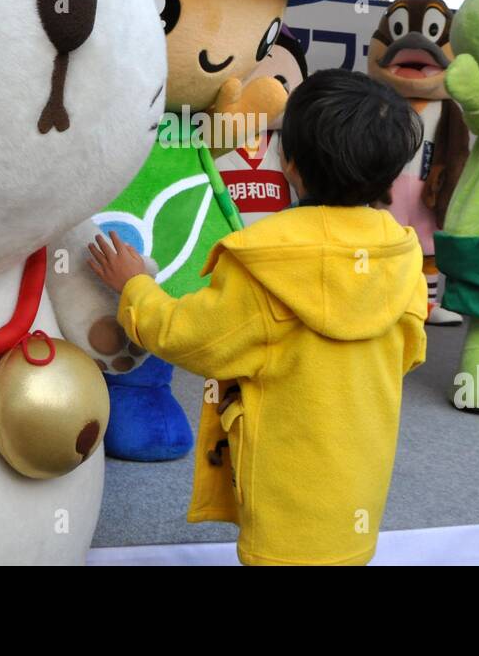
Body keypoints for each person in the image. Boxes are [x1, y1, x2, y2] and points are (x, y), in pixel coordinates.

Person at [87, 68, 428, 565]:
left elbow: (188, 337)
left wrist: (134, 285)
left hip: (282, 484)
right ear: (392, 172)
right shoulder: (403, 256)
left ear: (289, 163)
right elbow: (410, 352)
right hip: (361, 480)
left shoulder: (266, 262)